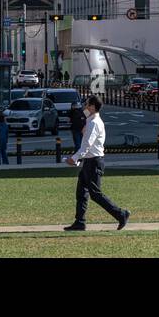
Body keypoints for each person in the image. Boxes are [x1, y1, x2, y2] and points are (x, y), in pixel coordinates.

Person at [63, 95, 129, 231]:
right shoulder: (91, 120)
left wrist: (73, 159)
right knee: (81, 192)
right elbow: (87, 140)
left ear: (93, 107)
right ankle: (80, 221)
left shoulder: (94, 123)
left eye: (87, 104)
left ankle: (121, 214)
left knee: (95, 194)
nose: (85, 107)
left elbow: (86, 145)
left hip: (94, 162)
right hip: (89, 161)